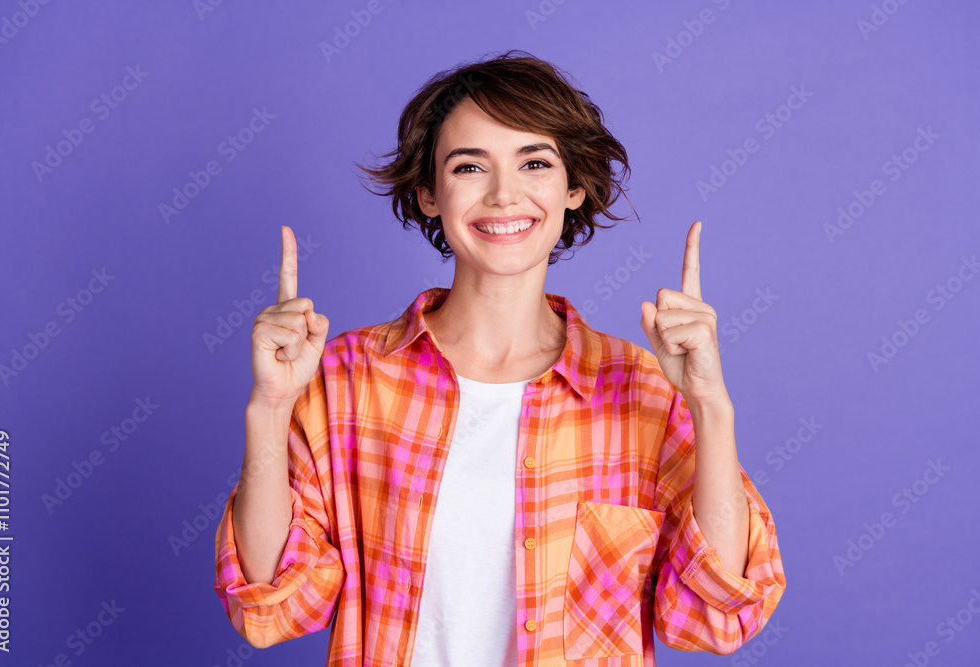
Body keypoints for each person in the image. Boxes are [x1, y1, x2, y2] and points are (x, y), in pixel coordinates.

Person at [214, 50, 785, 665]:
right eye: (469, 167)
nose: (504, 195)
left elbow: (716, 615)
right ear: (430, 194)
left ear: (573, 188)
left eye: (534, 163)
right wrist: (270, 407)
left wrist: (711, 407)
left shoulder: (642, 390)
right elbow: (271, 605)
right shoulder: (346, 379)